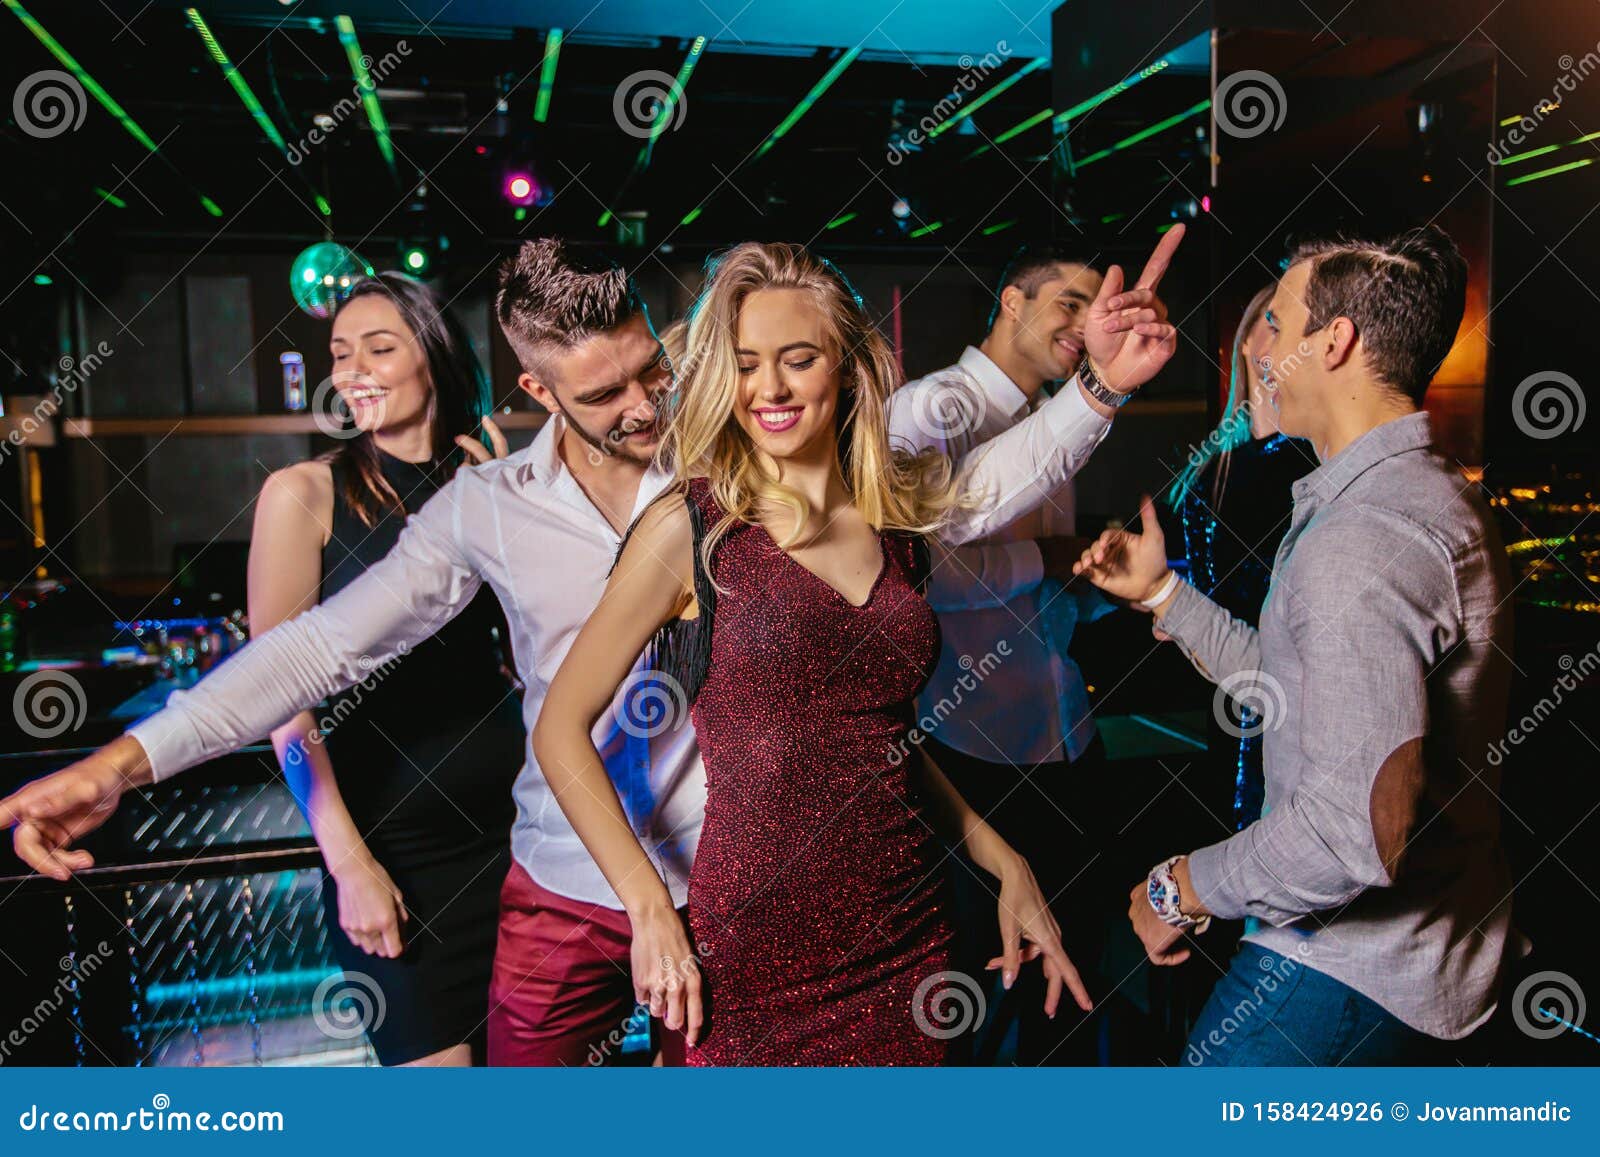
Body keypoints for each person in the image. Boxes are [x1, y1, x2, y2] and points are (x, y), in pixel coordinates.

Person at [0, 233, 1177, 1065]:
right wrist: (120, 763)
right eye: (606, 391)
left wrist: (1089, 388)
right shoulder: (484, 507)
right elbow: (316, 650)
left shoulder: (744, 458)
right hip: (570, 882)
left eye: (652, 369)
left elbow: (942, 467)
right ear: (536, 386)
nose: (645, 405)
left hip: (743, 891)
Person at [531, 238, 1181, 1065]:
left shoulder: (894, 520)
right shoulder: (693, 527)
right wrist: (649, 905)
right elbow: (560, 727)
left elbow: (880, 740)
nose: (769, 388)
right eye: (746, 364)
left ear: (844, 366)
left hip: (907, 925)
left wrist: (1002, 856)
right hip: (755, 947)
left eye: (798, 359)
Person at [1073, 226, 1518, 1065]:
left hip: (1343, 974)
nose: (1259, 348)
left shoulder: (1363, 538)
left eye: (1276, 324)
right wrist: (1164, 593)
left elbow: (1350, 831)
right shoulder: (1420, 493)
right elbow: (1294, 690)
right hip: (1412, 964)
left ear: (1334, 342)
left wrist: (1182, 887)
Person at [886, 232, 1183, 1065]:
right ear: (1011, 301)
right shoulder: (930, 408)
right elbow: (919, 571)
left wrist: (1111, 584)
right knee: (974, 999)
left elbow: (1034, 602)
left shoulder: (1052, 415)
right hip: (972, 755)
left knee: (1071, 989)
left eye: (1096, 308)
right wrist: (1048, 557)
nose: (1084, 325)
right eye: (1069, 303)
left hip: (1067, 742)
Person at [248, 273, 523, 1066]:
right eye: (341, 353)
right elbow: (281, 700)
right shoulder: (302, 494)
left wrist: (507, 506)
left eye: (378, 348)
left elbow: (539, 652)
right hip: (394, 851)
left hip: (519, 835)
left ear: (434, 357)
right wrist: (348, 861)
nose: (353, 370)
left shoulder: (486, 486)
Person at [1165, 284, 1315, 830]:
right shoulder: (1211, 467)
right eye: (1270, 323)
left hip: (1283, 697)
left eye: (1295, 330)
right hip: (1222, 694)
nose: (1281, 343)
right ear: (1246, 340)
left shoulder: (1313, 466)